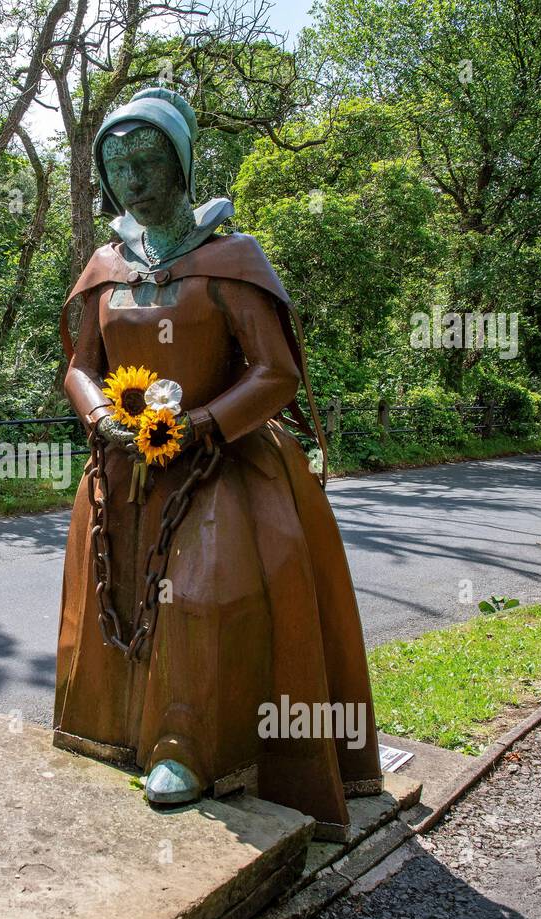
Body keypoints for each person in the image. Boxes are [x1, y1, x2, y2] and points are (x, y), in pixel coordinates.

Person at [54, 87, 382, 840]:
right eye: (116, 165)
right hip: (124, 467)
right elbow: (82, 364)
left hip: (222, 463)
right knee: (113, 596)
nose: (130, 180)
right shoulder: (106, 263)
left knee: (200, 596)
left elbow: (275, 373)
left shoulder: (230, 258)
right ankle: (111, 729)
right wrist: (101, 415)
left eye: (145, 161)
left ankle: (189, 746)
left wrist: (203, 423)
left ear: (180, 162)